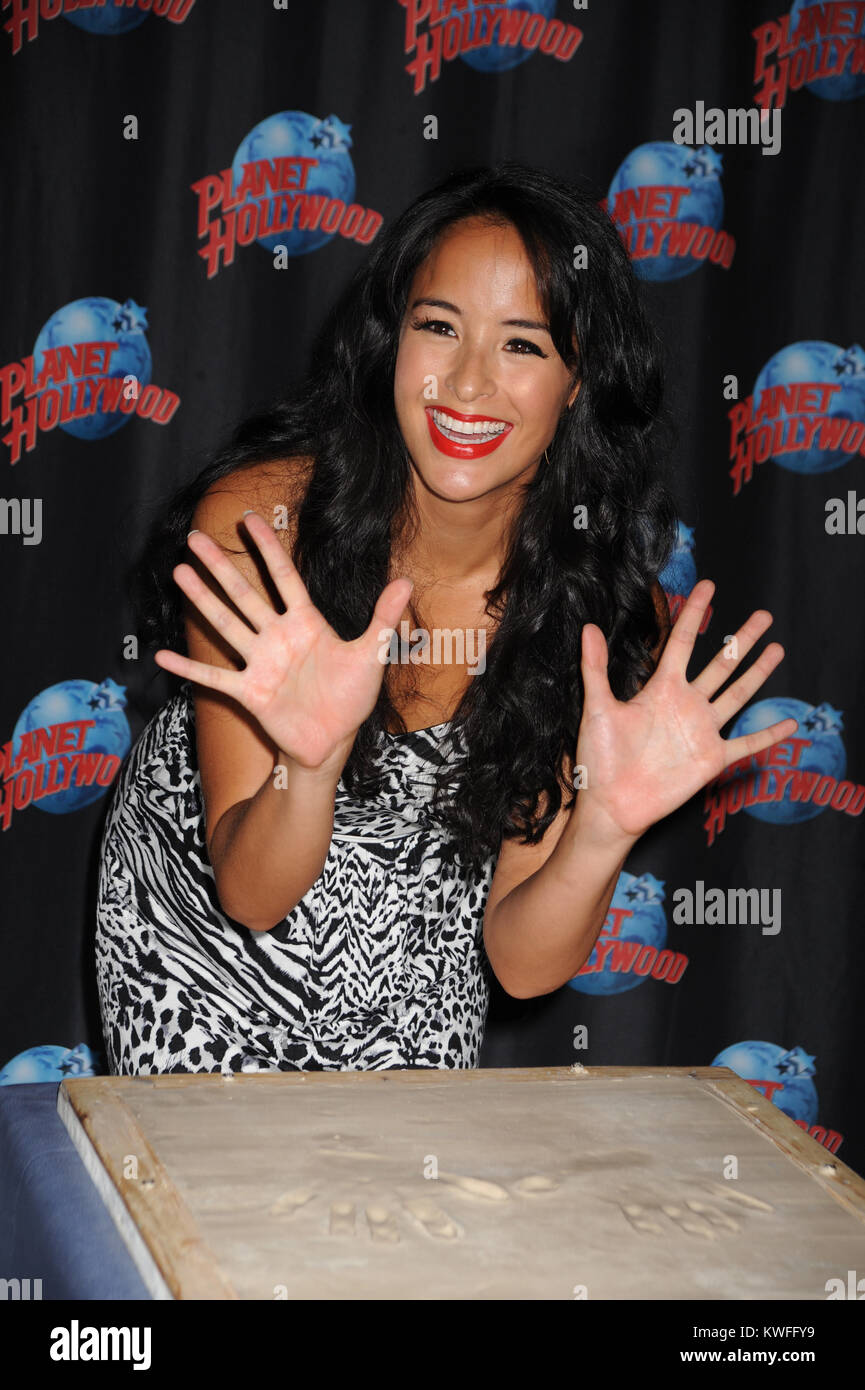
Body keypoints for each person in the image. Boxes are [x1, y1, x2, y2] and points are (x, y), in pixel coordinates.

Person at [95, 162, 796, 1075]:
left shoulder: (600, 612)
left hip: (417, 944)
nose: (466, 385)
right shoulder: (263, 528)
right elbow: (250, 892)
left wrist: (601, 830)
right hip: (205, 934)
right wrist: (308, 766)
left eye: (522, 346)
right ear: (393, 343)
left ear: (578, 380)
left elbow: (517, 958)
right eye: (438, 328)